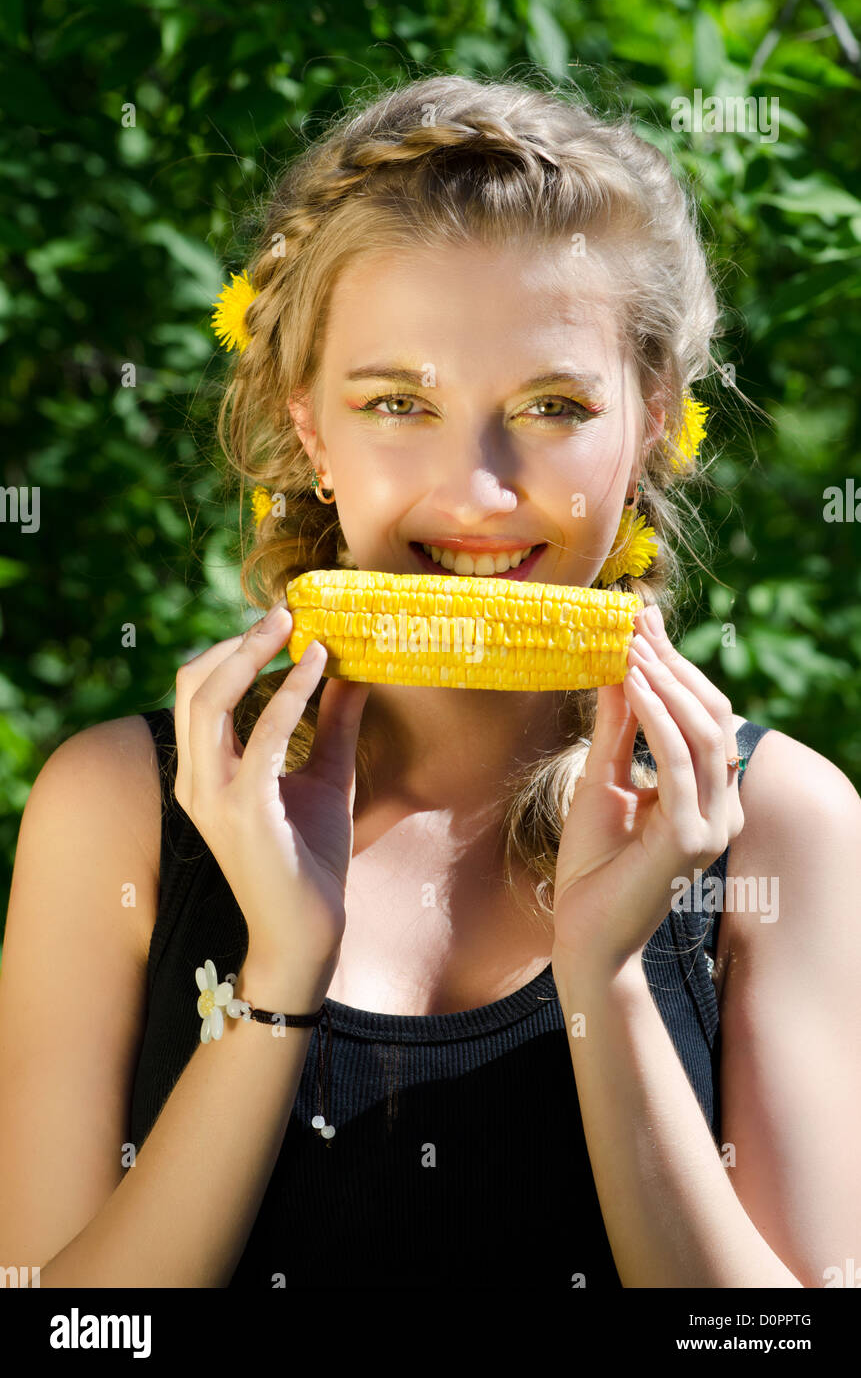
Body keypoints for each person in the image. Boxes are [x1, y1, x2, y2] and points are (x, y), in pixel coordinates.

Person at [1, 73, 858, 1290]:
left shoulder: (778, 825)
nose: (480, 493)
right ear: (309, 430)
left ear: (654, 421)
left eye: (553, 406)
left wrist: (606, 978)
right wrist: (278, 982)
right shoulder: (118, 811)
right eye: (398, 401)